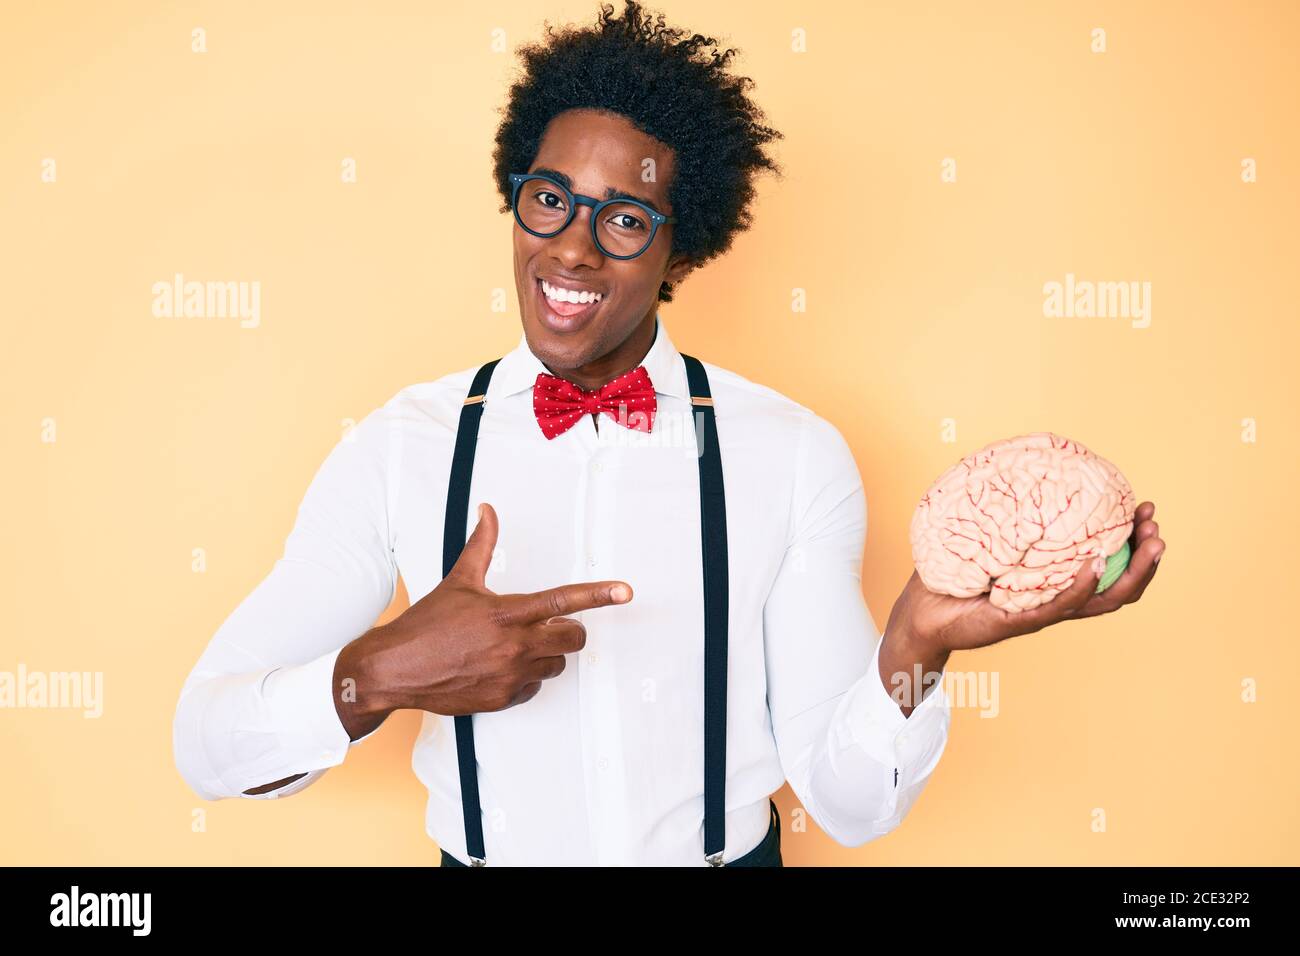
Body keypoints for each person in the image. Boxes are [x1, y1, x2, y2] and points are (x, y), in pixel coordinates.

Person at [172, 0, 1165, 866]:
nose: (569, 244)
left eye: (624, 219)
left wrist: (919, 639)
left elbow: (851, 804)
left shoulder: (790, 454)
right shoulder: (403, 443)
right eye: (550, 199)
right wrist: (376, 674)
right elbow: (203, 742)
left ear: (678, 246)